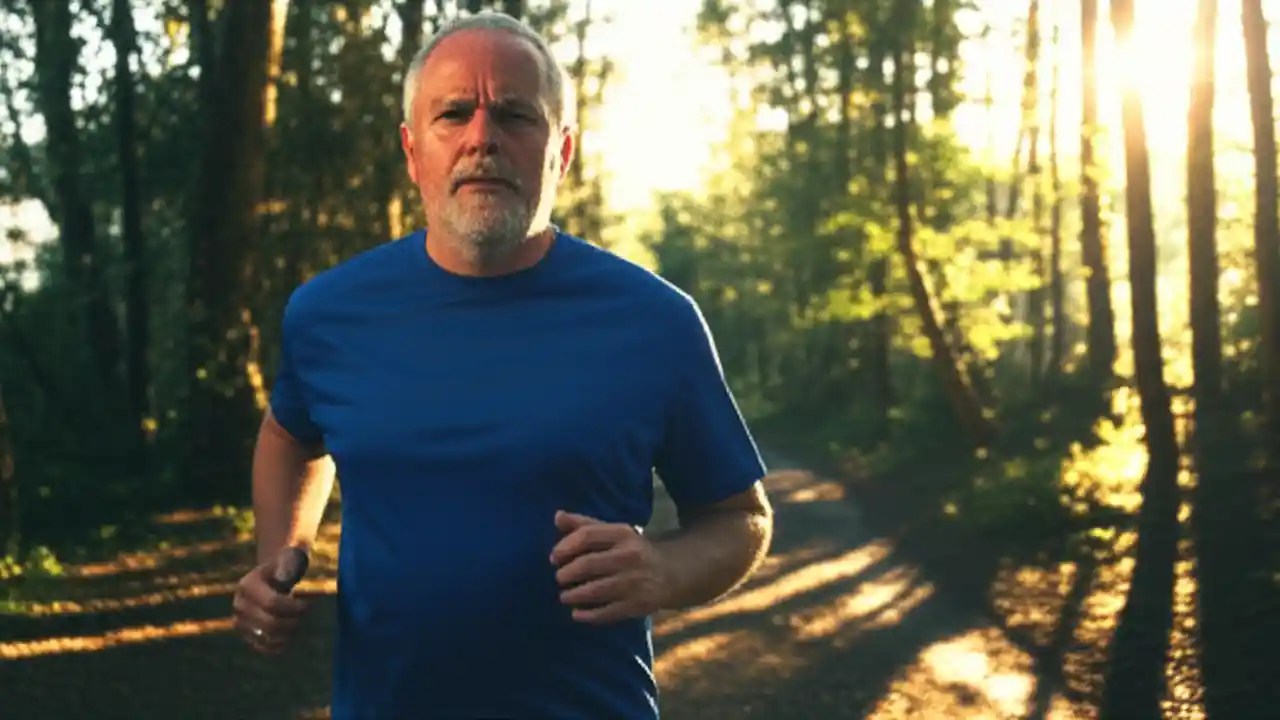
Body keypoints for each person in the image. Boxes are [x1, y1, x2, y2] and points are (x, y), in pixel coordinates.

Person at [231, 11, 773, 719]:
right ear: (412, 150)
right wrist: (279, 553)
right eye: (453, 114)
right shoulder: (328, 314)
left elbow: (741, 518)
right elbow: (290, 434)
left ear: (563, 151)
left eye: (516, 116)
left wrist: (666, 569)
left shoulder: (654, 321)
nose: (481, 138)